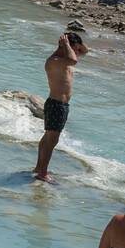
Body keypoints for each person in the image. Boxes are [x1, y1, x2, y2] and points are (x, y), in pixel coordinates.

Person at [32, 31, 87, 183]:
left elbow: (85, 51)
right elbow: (74, 60)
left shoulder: (64, 60)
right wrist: (67, 45)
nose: (77, 51)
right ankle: (43, 173)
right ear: (65, 46)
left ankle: (38, 168)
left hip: (59, 104)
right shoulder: (55, 60)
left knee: (47, 138)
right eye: (74, 48)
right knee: (52, 140)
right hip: (57, 104)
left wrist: (73, 40)